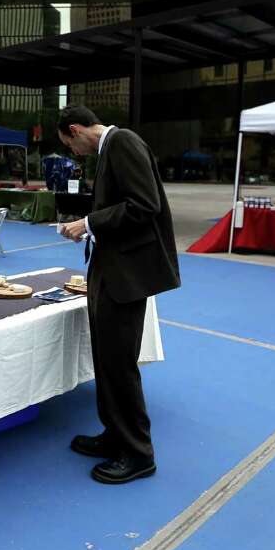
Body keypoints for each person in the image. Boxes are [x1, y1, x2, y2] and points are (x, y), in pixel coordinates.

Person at [56, 105, 180, 486]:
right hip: (112, 269)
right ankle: (116, 435)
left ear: (75, 129)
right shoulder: (112, 148)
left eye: (69, 145)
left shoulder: (122, 142)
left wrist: (89, 223)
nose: (74, 153)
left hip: (126, 273)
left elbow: (144, 205)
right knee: (108, 362)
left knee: (119, 364)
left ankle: (138, 453)